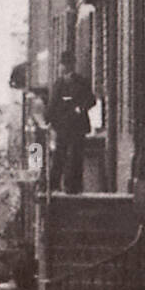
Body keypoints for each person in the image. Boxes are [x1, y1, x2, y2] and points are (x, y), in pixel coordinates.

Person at [48, 52, 96, 195]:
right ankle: (55, 185)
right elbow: (53, 104)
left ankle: (73, 187)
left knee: (76, 156)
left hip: (77, 125)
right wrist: (50, 120)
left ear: (70, 66)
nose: (63, 67)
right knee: (60, 155)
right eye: (62, 64)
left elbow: (91, 100)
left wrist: (80, 108)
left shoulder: (82, 82)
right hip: (63, 126)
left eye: (65, 64)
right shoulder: (58, 84)